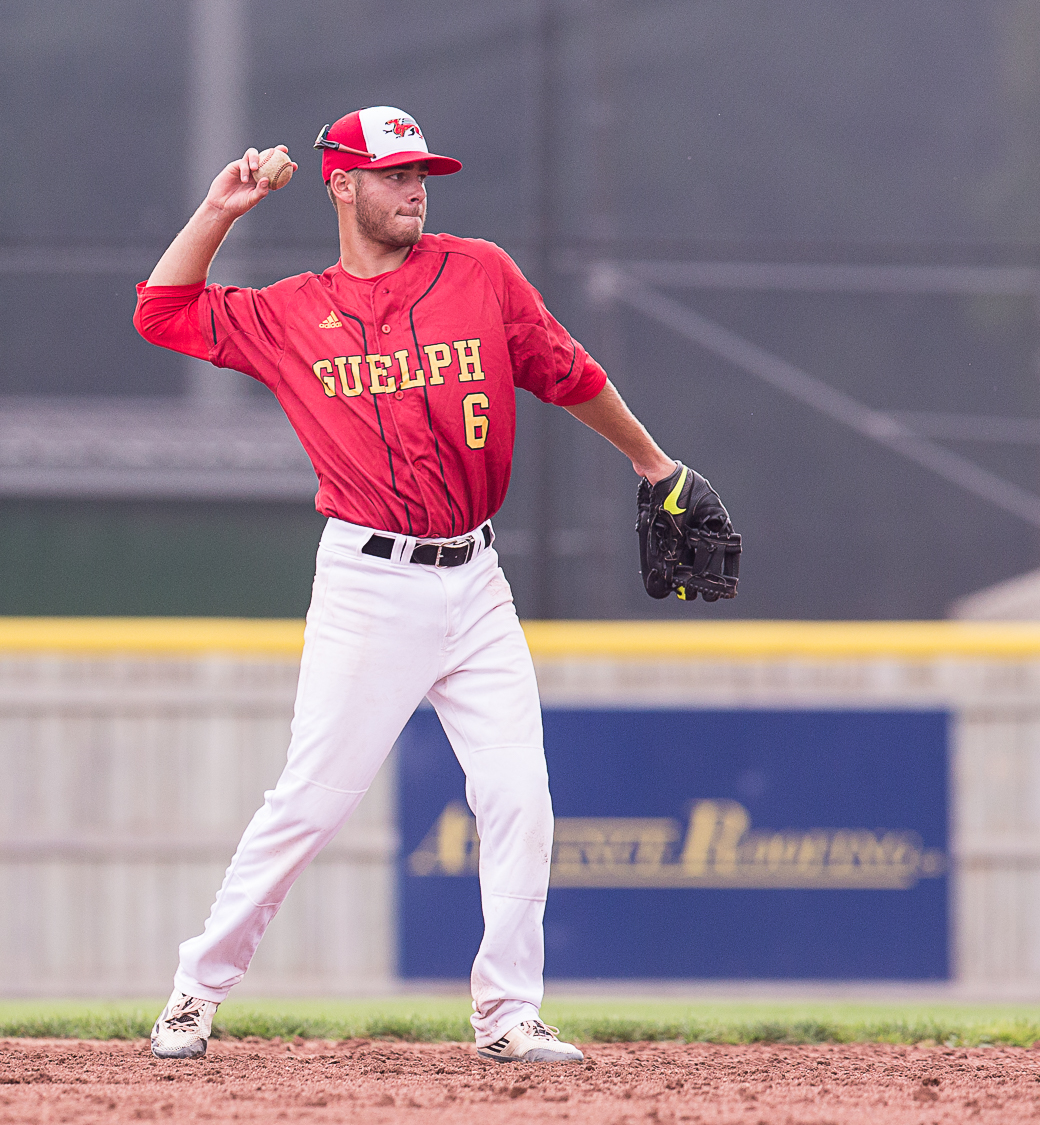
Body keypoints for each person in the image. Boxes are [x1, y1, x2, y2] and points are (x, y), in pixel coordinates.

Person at [133, 106, 682, 1064]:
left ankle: (508, 1012)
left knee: (520, 794)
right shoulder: (290, 312)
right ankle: (195, 989)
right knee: (311, 799)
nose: (414, 187)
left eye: (420, 171)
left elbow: (566, 371)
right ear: (340, 184)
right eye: (392, 174)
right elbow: (162, 312)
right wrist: (220, 211)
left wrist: (653, 465)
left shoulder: (481, 273)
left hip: (475, 577)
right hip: (368, 583)